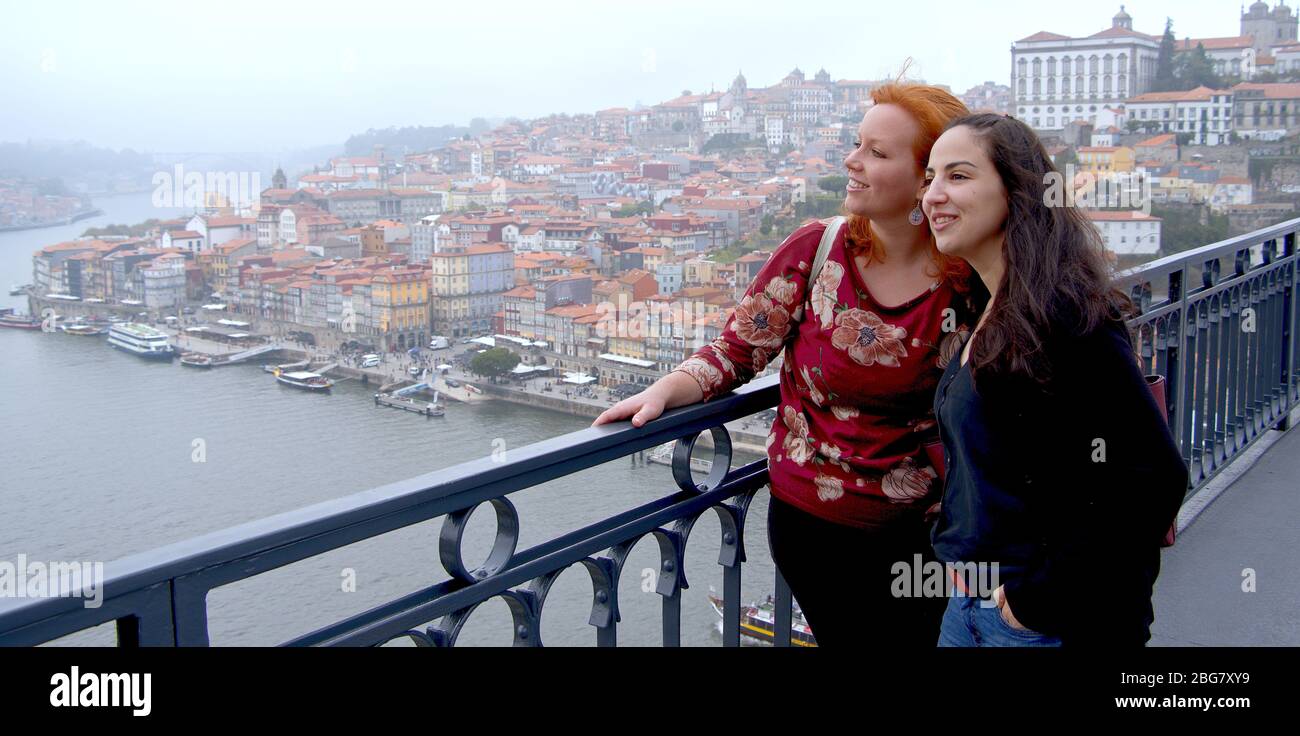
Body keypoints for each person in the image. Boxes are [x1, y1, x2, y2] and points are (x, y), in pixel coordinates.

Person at [594, 82, 981, 646]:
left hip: (927, 535)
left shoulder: (969, 277)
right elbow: (737, 349)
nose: (851, 161)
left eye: (877, 152)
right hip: (814, 529)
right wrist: (667, 390)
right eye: (856, 144)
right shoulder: (816, 251)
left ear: (930, 177)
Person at [920, 113, 1189, 647]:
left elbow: (1151, 477)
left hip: (1041, 620)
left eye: (958, 175)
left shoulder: (1062, 314)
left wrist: (1036, 598)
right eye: (930, 178)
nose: (933, 195)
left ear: (1016, 192)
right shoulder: (992, 306)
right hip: (972, 603)